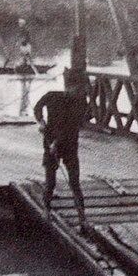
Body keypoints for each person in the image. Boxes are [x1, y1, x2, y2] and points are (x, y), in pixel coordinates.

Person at [34, 70, 88, 229]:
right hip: (50, 141)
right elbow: (38, 107)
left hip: (69, 145)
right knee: (50, 181)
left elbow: (70, 128)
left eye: (78, 90)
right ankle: (46, 209)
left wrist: (56, 143)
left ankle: (82, 217)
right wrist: (41, 121)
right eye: (75, 89)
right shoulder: (51, 95)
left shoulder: (80, 104)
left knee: (74, 182)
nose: (76, 92)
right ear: (69, 87)